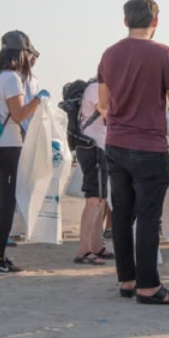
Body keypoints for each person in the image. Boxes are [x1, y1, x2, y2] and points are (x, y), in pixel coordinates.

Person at [98, 0, 169, 305]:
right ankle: (149, 287)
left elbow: (104, 103)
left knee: (121, 214)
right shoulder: (164, 53)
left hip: (116, 142)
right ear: (156, 21)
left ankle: (127, 280)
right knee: (149, 217)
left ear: (125, 21)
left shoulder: (109, 54)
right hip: (149, 144)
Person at [0, 31, 49, 274]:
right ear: (23, 53)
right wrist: (39, 99)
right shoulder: (11, 78)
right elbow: (19, 115)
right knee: (6, 203)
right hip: (8, 145)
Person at [73, 77, 113, 266]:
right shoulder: (97, 88)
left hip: (98, 148)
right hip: (93, 149)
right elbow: (107, 112)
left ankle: (96, 246)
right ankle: (84, 250)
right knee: (94, 199)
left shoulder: (99, 87)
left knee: (101, 199)